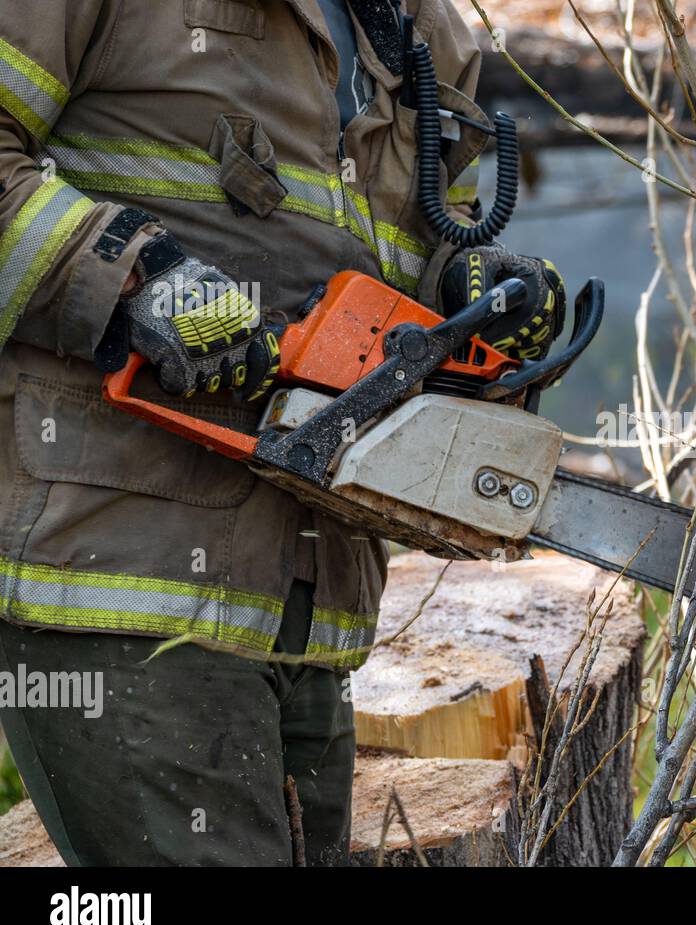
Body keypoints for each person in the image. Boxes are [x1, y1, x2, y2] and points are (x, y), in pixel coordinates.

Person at [0, 0, 562, 865]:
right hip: (122, 582)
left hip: (314, 606)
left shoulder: (419, 31)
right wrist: (136, 284)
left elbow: (394, 252)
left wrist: (468, 292)